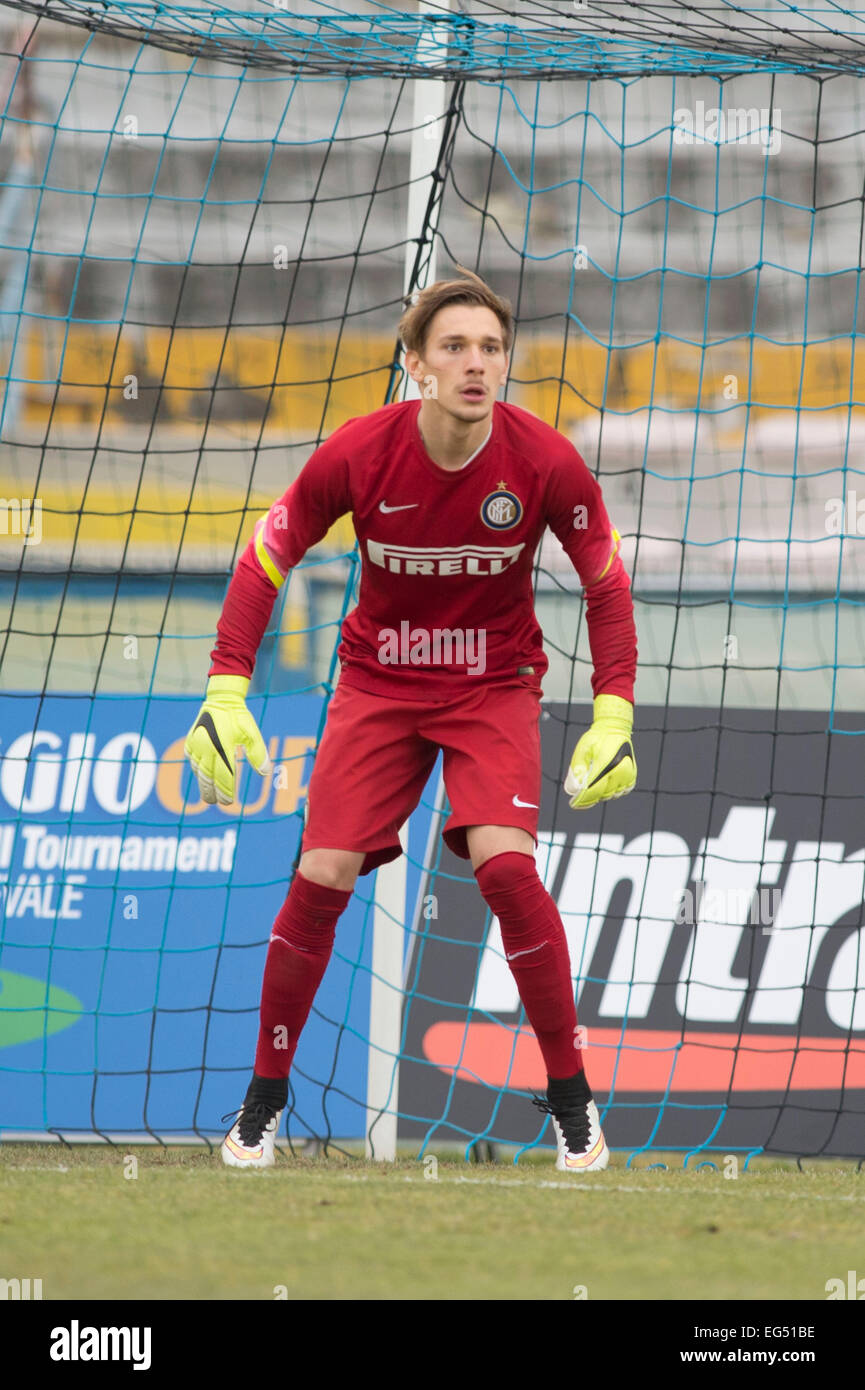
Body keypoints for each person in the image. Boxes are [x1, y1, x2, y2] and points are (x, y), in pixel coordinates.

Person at [185, 267, 638, 1173]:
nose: (477, 364)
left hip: (493, 687)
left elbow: (604, 580)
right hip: (377, 686)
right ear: (415, 367)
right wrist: (225, 687)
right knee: (321, 875)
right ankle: (263, 1103)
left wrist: (612, 712)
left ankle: (570, 1101)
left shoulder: (544, 460)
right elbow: (264, 558)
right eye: (455, 348)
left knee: (507, 872)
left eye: (491, 348)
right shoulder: (357, 451)